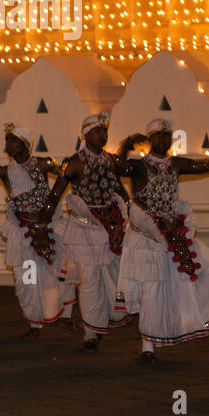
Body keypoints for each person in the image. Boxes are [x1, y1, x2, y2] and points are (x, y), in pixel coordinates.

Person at [114, 119, 209, 362]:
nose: (163, 140)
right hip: (145, 237)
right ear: (149, 139)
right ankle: (147, 346)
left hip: (170, 233)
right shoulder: (138, 166)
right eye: (157, 135)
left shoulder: (176, 164)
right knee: (150, 288)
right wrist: (125, 145)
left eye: (166, 135)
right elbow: (115, 169)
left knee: (184, 280)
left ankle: (168, 330)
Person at [40, 113, 133, 351]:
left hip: (111, 228)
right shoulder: (74, 162)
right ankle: (91, 332)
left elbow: (120, 191)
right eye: (98, 131)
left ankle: (104, 320)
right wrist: (41, 223)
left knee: (111, 277)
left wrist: (134, 215)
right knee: (90, 281)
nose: (103, 135)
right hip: (84, 229)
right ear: (86, 134)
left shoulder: (111, 161)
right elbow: (55, 195)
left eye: (105, 131)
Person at [0, 123, 65, 338]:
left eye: (12, 140)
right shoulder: (6, 172)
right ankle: (35, 322)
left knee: (49, 277)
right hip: (23, 234)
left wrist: (53, 201)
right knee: (27, 279)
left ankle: (58, 314)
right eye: (7, 140)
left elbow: (65, 174)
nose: (8, 144)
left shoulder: (43, 164)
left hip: (46, 230)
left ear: (24, 144)